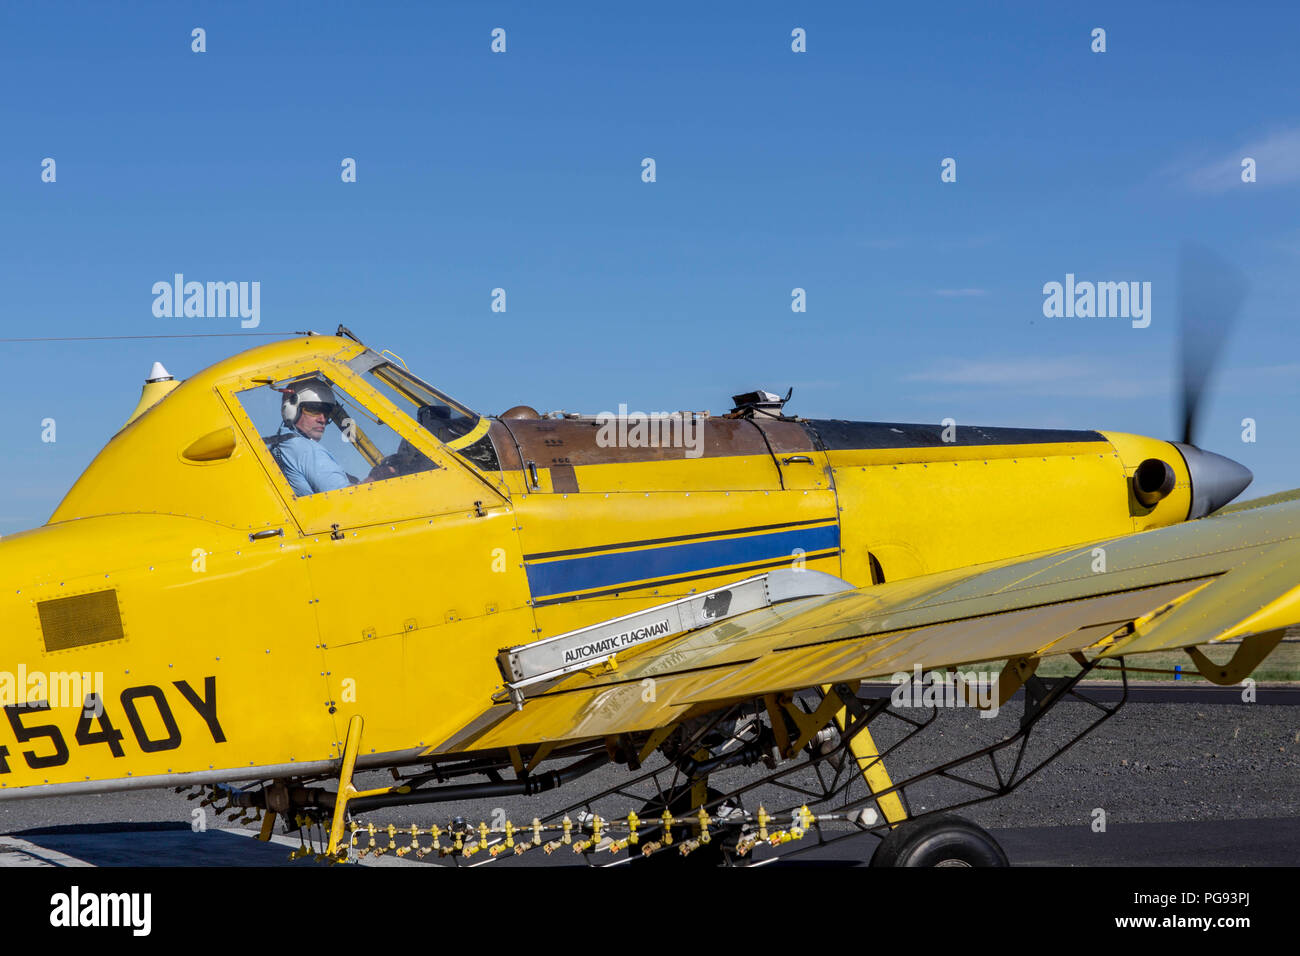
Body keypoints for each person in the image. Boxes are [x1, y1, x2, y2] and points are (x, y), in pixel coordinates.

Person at [271, 378, 354, 496]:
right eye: (314, 410)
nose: (322, 419)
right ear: (292, 410)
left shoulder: (285, 445)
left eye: (326, 412)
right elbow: (347, 497)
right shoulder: (308, 451)